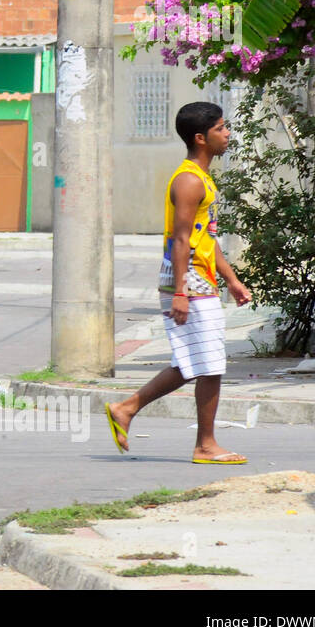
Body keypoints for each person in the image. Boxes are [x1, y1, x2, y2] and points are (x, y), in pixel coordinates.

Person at [103, 102, 252, 465]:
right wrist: (182, 292)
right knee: (210, 365)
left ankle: (125, 408)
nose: (227, 134)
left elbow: (206, 237)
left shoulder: (202, 178)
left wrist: (231, 279)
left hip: (199, 278)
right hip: (188, 280)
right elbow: (180, 240)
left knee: (194, 362)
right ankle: (205, 445)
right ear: (201, 138)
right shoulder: (188, 180)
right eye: (220, 128)